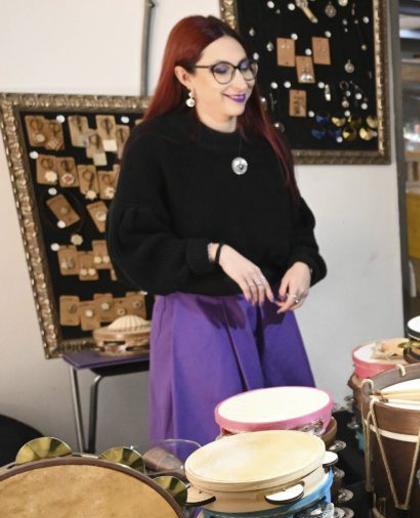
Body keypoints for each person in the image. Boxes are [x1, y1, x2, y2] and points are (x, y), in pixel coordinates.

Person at [109, 16, 326, 448]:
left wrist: (303, 265)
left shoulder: (266, 142)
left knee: (292, 449)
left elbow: (298, 225)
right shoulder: (155, 144)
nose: (240, 80)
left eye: (245, 67)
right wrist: (214, 252)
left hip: (271, 320)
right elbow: (132, 243)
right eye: (221, 70)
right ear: (185, 76)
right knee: (217, 454)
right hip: (198, 324)